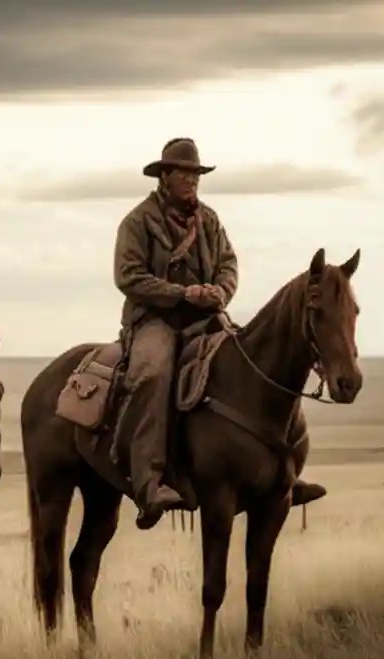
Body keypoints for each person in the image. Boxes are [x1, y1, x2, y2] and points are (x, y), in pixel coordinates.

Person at [112, 138, 324, 530]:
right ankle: (149, 482)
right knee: (154, 373)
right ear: (165, 176)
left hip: (205, 318)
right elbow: (128, 276)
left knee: (256, 361)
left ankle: (285, 470)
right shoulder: (137, 222)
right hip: (154, 321)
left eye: (196, 174)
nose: (192, 180)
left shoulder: (209, 221)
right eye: (184, 173)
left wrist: (219, 293)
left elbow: (228, 265)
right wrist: (182, 293)